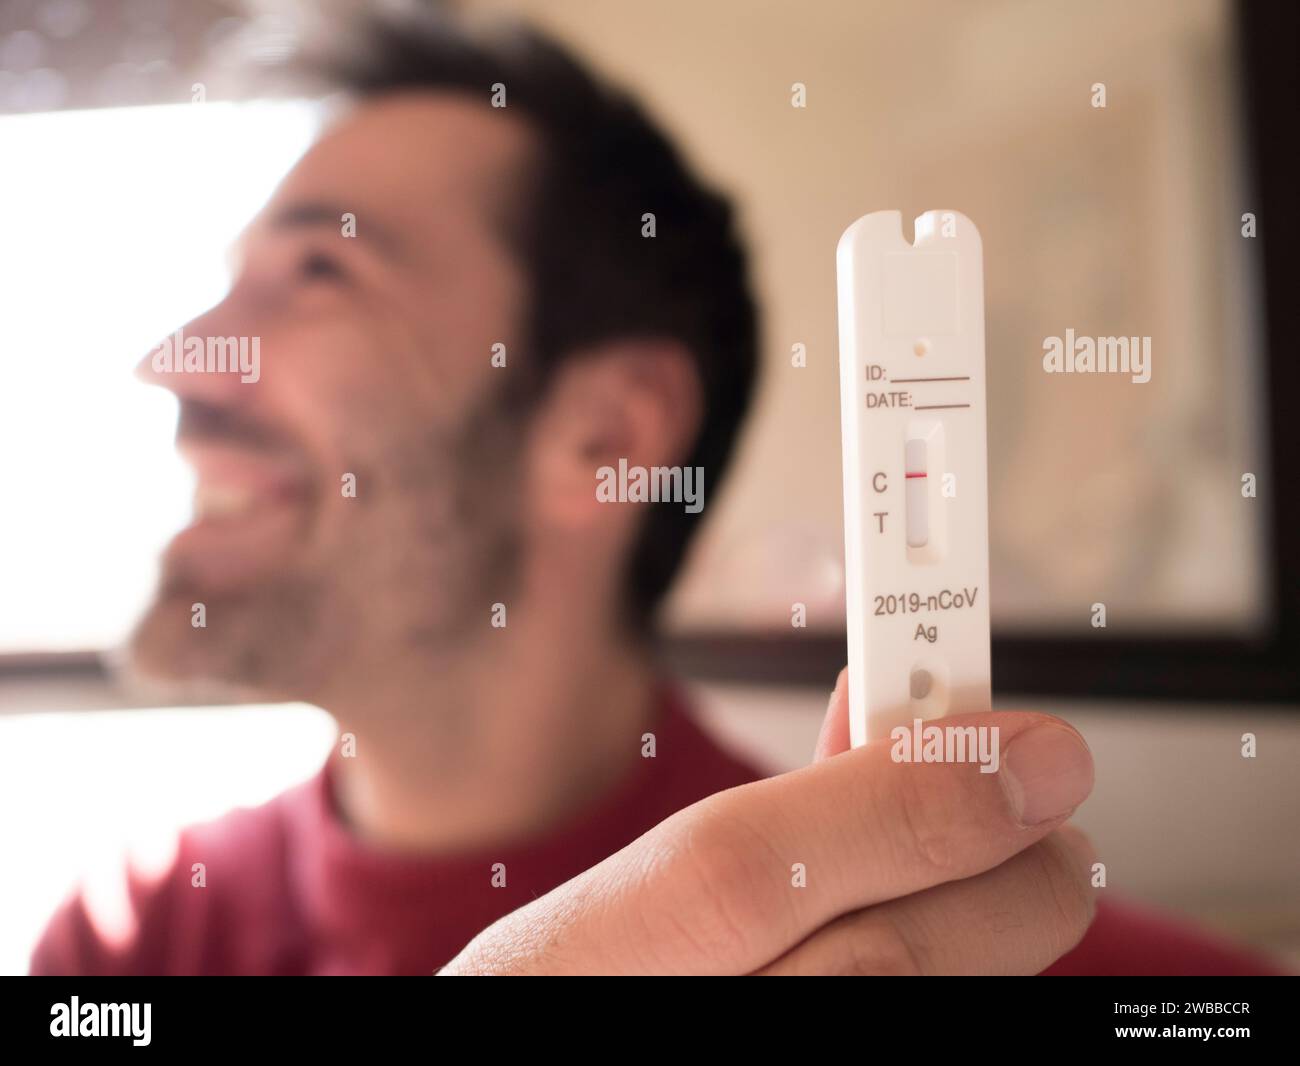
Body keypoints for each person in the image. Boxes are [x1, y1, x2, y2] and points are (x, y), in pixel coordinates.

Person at [32, 7, 1280, 976]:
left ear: (607, 433)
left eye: (313, 271)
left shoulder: (1016, 965)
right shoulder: (123, 941)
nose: (171, 360)